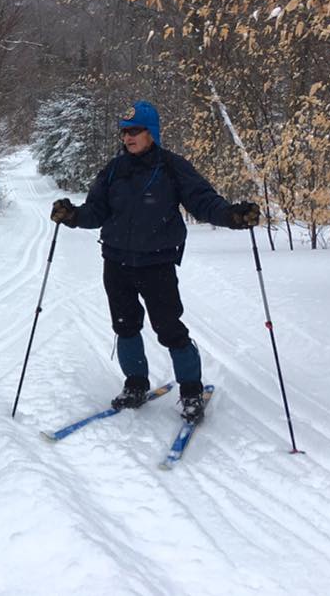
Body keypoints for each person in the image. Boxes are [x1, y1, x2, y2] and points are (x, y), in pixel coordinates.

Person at [50, 100, 259, 423]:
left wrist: (232, 216)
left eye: (135, 130)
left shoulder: (172, 167)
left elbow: (203, 202)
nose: (128, 137)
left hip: (157, 262)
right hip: (116, 260)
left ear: (152, 132)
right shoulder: (113, 170)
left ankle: (191, 392)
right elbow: (96, 211)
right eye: (124, 132)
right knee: (125, 325)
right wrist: (73, 215)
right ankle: (135, 385)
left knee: (169, 328)